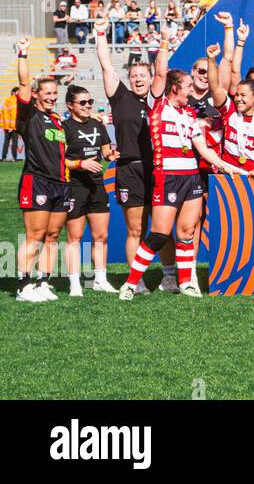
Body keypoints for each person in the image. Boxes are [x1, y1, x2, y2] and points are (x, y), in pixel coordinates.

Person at [120, 69, 242, 300]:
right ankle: (130, 283)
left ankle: (186, 282)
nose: (191, 90)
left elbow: (203, 149)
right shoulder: (157, 105)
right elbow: (158, 77)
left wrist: (229, 167)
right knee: (158, 234)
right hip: (168, 177)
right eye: (187, 86)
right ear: (174, 87)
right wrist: (165, 42)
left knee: (186, 233)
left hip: (192, 177)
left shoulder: (188, 113)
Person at [94, 19, 177, 294]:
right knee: (135, 229)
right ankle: (136, 280)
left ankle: (169, 277)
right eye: (134, 76)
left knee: (162, 229)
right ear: (129, 79)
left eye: (143, 75)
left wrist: (164, 40)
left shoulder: (156, 98)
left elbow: (163, 74)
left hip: (158, 169)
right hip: (129, 169)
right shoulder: (119, 97)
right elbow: (106, 65)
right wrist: (101, 32)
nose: (139, 79)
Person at [14, 38, 71, 302]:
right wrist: (23, 53)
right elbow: (24, 84)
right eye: (46, 94)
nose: (51, 98)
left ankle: (42, 281)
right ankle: (23, 285)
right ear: (36, 94)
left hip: (60, 184)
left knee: (52, 236)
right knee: (34, 235)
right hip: (36, 181)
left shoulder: (57, 121)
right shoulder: (28, 117)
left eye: (54, 95)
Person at [61, 85, 118, 295]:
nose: (87, 106)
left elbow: (104, 151)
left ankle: (100, 279)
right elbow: (59, 160)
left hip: (97, 185)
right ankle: (75, 283)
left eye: (89, 102)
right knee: (74, 237)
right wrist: (80, 164)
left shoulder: (97, 124)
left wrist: (111, 155)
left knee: (101, 236)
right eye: (82, 102)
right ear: (70, 105)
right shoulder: (64, 127)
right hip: (75, 186)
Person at [207, 44, 254, 177]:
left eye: (243, 95)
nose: (238, 99)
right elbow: (214, 87)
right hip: (227, 174)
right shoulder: (230, 110)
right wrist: (212, 60)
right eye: (237, 95)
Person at [0, 87, 18, 161]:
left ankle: (4, 157)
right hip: (13, 126)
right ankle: (14, 158)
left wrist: (3, 125)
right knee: (14, 142)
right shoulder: (14, 100)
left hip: (7, 126)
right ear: (14, 92)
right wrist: (12, 126)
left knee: (6, 142)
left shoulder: (7, 100)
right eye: (18, 91)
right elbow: (13, 115)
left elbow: (3, 113)